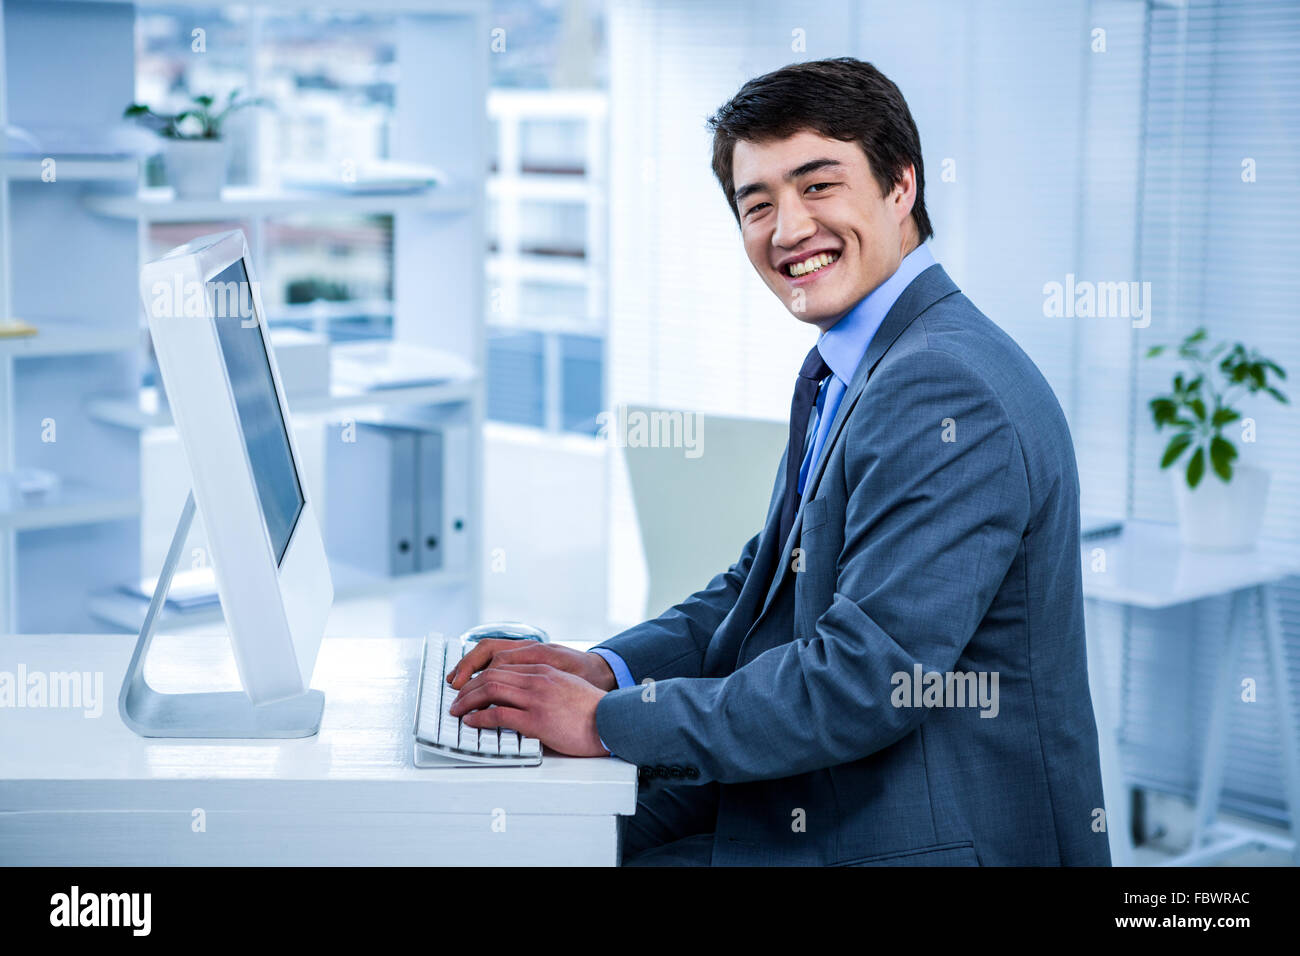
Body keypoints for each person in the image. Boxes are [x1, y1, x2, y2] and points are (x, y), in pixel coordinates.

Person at [448, 57, 1110, 867]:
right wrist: (607, 669)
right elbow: (759, 591)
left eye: (818, 185)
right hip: (823, 791)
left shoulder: (943, 386)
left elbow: (862, 684)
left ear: (901, 185)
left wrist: (599, 722)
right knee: (524, 837)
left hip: (908, 832)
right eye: (756, 203)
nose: (787, 229)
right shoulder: (860, 358)